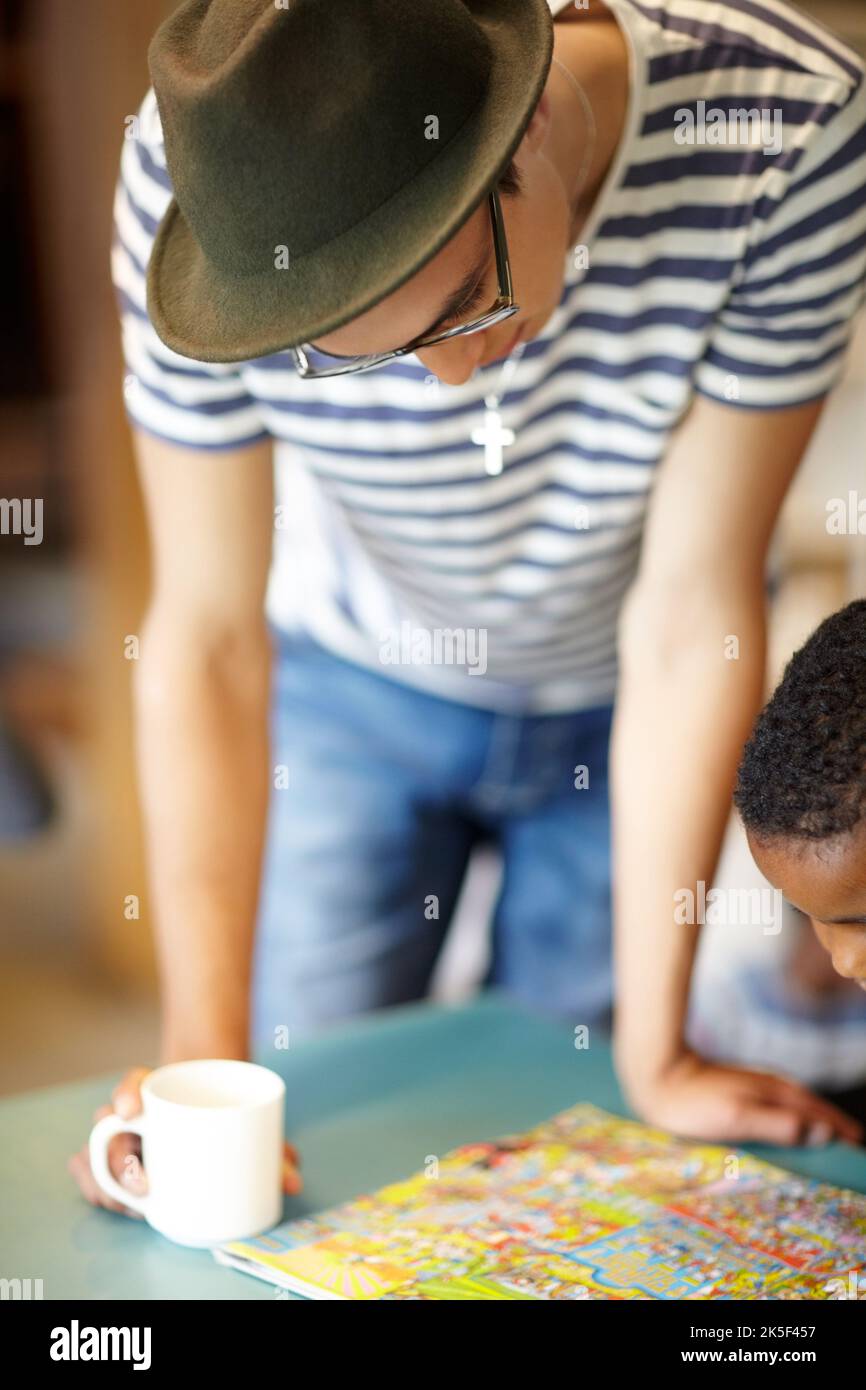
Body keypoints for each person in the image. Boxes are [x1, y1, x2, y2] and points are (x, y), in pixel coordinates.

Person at [70, 0, 866, 1216]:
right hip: (353, 680)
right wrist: (199, 1073)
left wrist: (657, 1056)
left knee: (565, 1131)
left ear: (531, 122)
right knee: (325, 1109)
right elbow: (208, 636)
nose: (445, 382)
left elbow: (688, 607)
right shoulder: (198, 186)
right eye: (352, 354)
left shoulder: (786, 123)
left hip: (625, 699)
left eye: (459, 310)